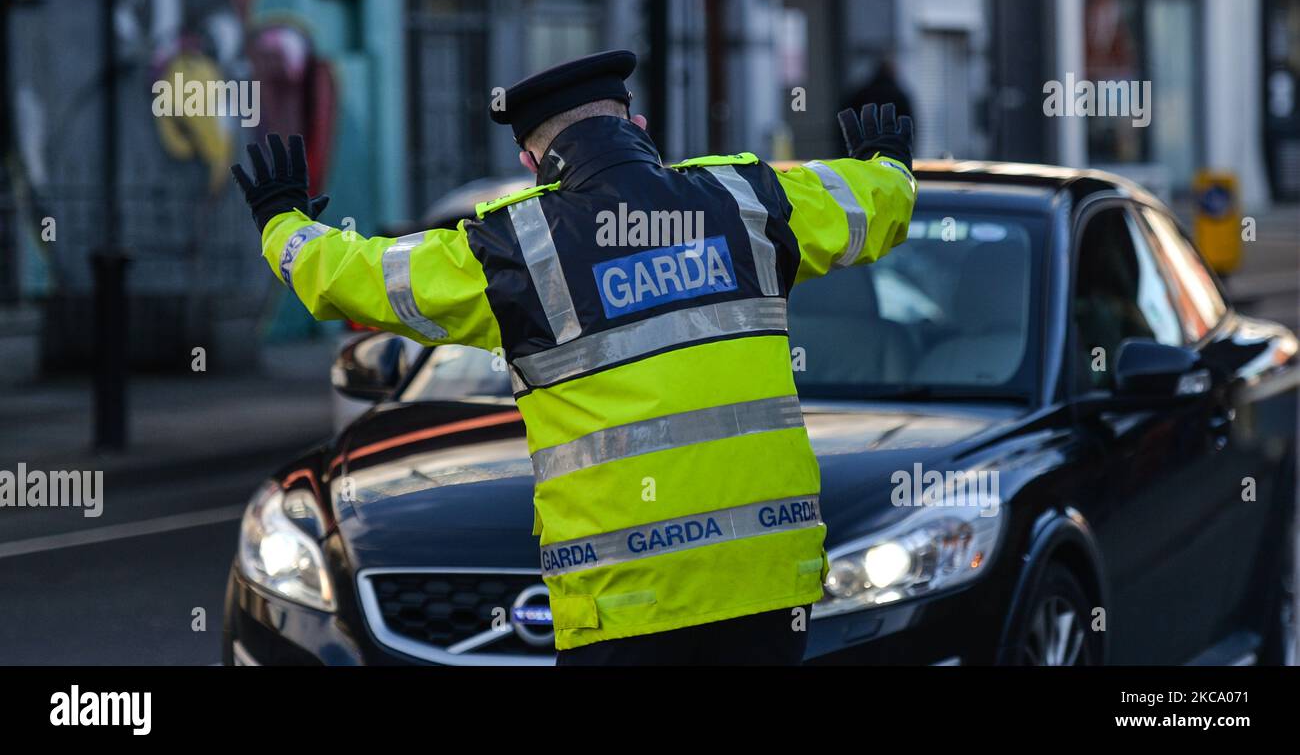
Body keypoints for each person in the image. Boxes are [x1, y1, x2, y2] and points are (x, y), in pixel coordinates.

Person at [232, 50, 916, 665]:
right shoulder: (747, 200)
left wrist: (283, 224)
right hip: (766, 589)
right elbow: (868, 209)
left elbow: (366, 278)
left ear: (532, 163)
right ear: (638, 126)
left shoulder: (515, 248)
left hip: (623, 606)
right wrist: (886, 163)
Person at [839, 57, 916, 151]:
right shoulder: (898, 95)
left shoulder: (861, 93)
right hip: (893, 149)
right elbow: (909, 125)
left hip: (860, 148)